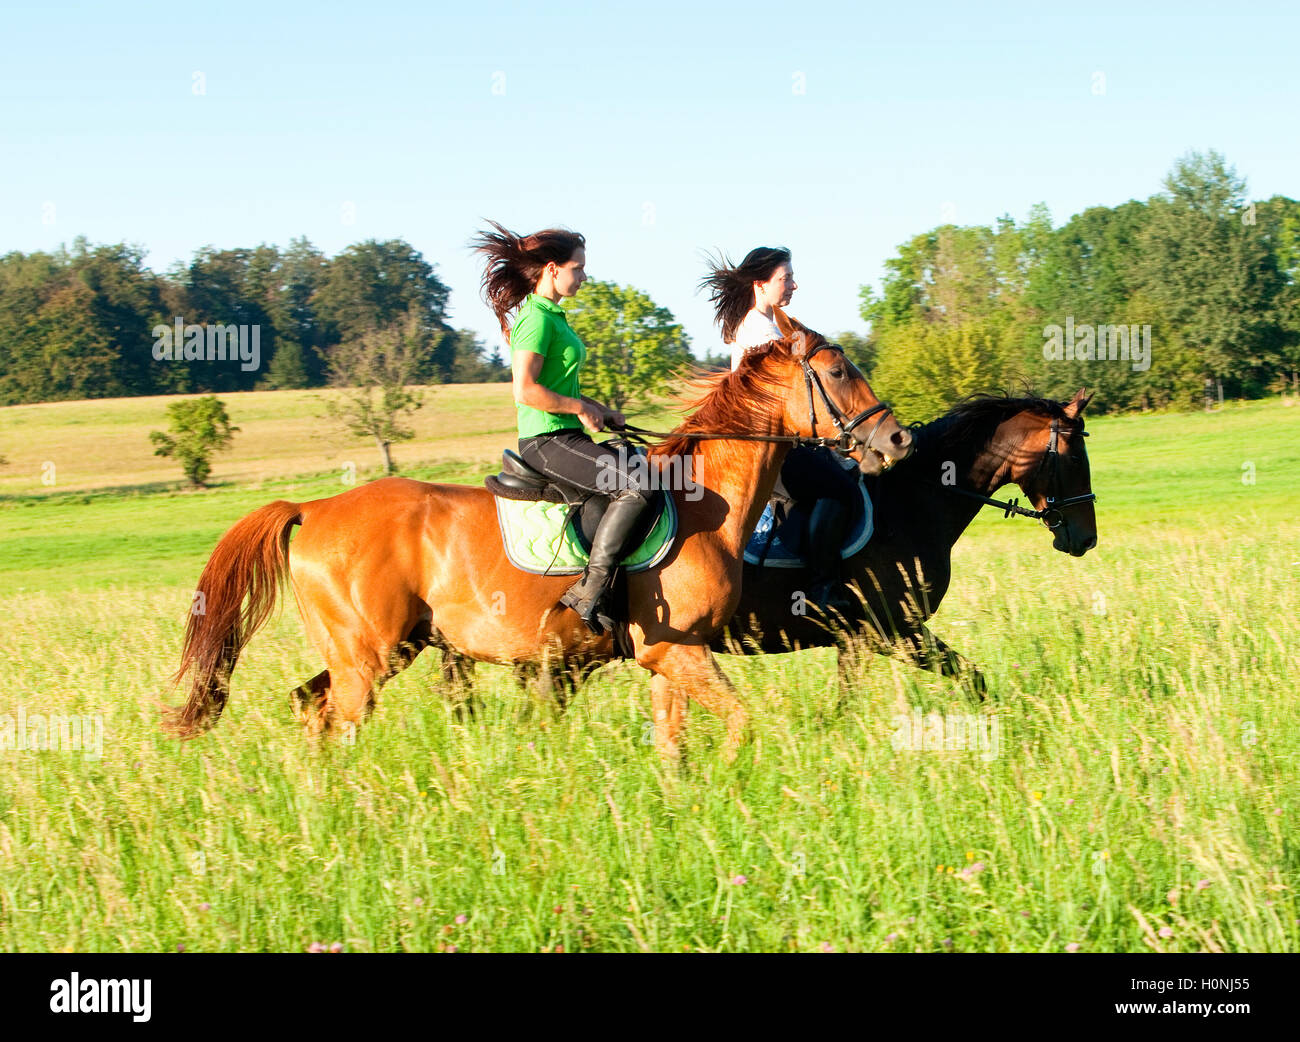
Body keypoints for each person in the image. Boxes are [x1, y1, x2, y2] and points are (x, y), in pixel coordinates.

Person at [473, 221, 654, 635]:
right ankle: (590, 589)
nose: (585, 276)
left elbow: (557, 385)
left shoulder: (554, 317)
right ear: (552, 269)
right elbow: (526, 390)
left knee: (640, 469)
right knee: (637, 484)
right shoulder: (536, 319)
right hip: (546, 441)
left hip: (568, 434)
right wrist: (578, 407)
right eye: (579, 268)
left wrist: (597, 409)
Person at [701, 247, 860, 613]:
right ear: (760, 284)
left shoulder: (774, 323)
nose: (793, 284)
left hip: (783, 443)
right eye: (785, 278)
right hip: (770, 448)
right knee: (839, 491)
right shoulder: (759, 330)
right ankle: (823, 587)